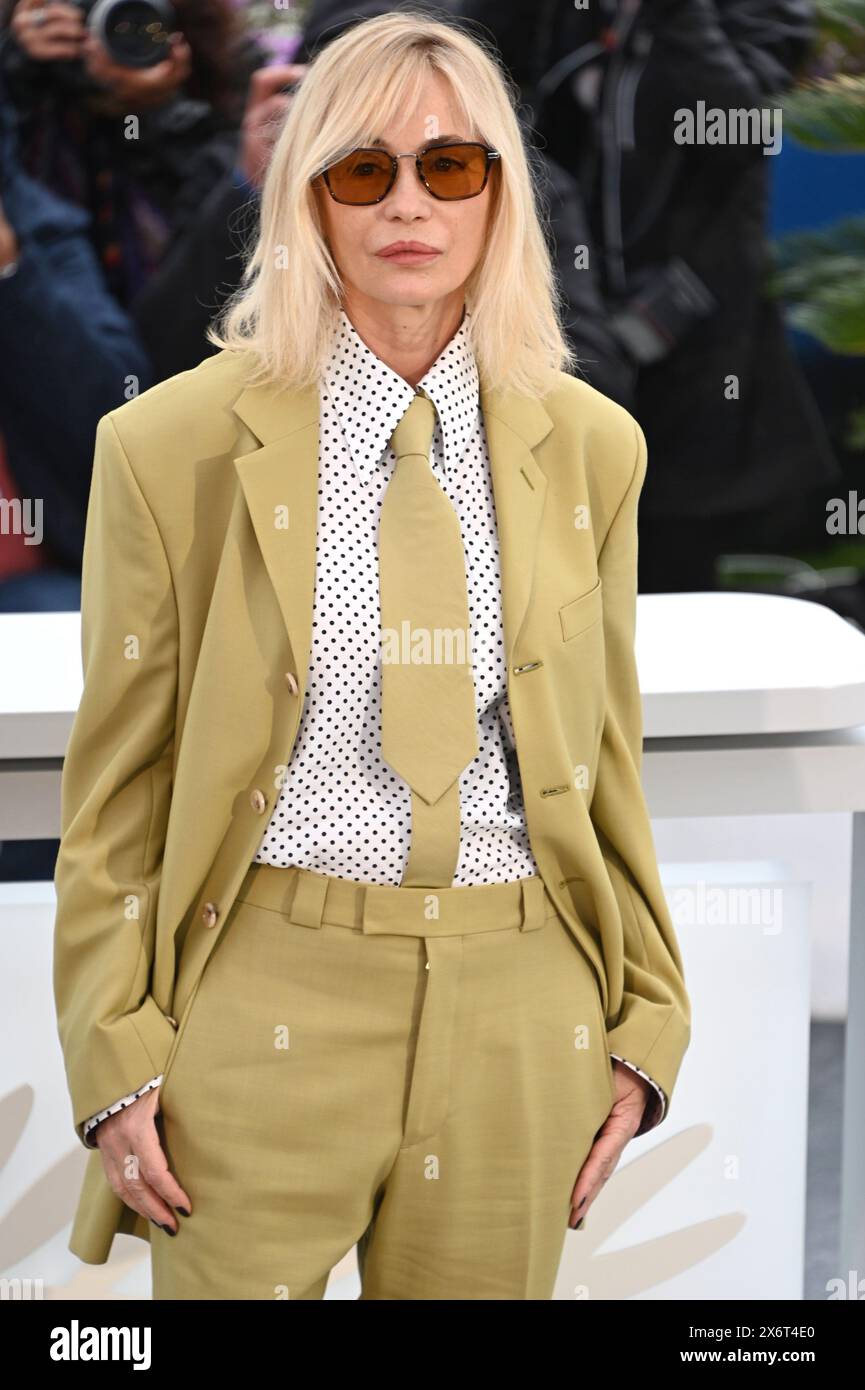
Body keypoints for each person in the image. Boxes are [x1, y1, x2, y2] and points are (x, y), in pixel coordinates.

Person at [53, 9, 691, 1300]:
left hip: (521, 1005)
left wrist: (645, 1021)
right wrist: (116, 1050)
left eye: (449, 165)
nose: (409, 200)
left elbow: (606, 765)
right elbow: (117, 787)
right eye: (363, 168)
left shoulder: (590, 448)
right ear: (309, 196)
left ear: (498, 193)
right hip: (264, 999)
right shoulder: (167, 449)